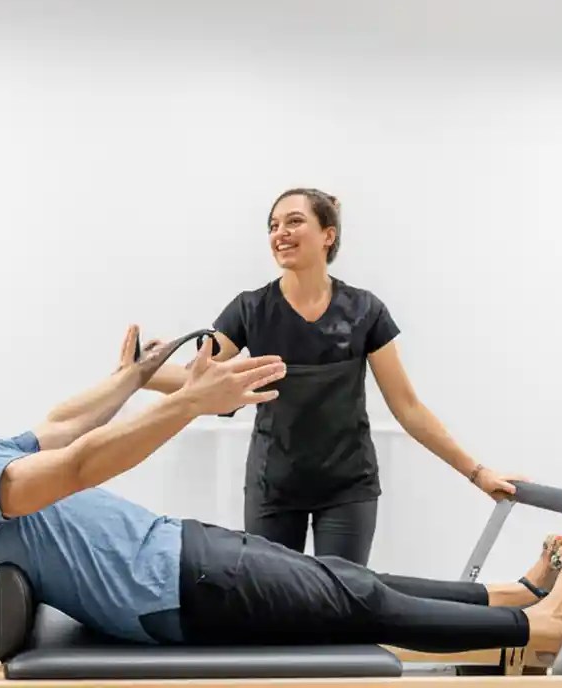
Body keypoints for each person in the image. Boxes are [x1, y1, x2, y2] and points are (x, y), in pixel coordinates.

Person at [0, 327, 562, 659]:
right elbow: (80, 465)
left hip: (176, 556)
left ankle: (508, 596)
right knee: (352, 606)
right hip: (172, 590)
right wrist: (187, 401)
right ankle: (539, 632)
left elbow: (61, 424)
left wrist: (132, 375)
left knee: (353, 581)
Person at [139, 188, 524, 566]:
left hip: (348, 490)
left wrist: (477, 473)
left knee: (342, 610)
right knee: (272, 609)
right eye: (273, 225)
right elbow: (195, 381)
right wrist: (139, 372)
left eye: (293, 221)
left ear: (328, 235)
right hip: (272, 488)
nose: (280, 233)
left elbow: (408, 408)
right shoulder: (250, 309)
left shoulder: (365, 310)